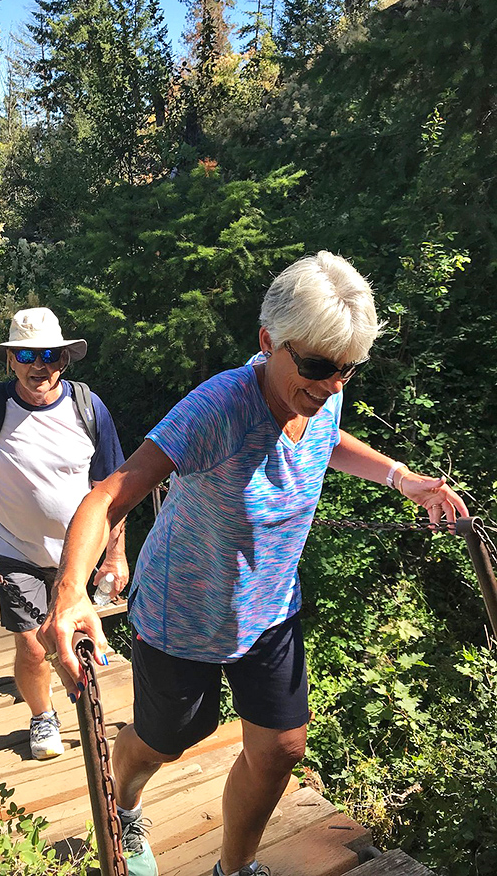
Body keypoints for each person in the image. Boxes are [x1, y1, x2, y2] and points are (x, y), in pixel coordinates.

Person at [38, 251, 469, 876]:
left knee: (281, 750)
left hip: (269, 610)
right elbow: (111, 493)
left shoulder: (321, 382)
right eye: (319, 366)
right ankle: (122, 801)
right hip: (182, 612)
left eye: (348, 369)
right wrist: (72, 592)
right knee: (166, 741)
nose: (331, 385)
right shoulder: (220, 408)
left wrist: (402, 479)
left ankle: (232, 869)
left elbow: (325, 437)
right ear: (269, 342)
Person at [0, 308, 128, 761]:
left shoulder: (89, 408)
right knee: (34, 646)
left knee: (71, 636)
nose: (41, 365)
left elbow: (113, 491)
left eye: (51, 354)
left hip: (77, 553)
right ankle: (42, 715)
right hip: (9, 547)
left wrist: (115, 556)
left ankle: (80, 703)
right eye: (28, 354)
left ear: (65, 359)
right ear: (11, 360)